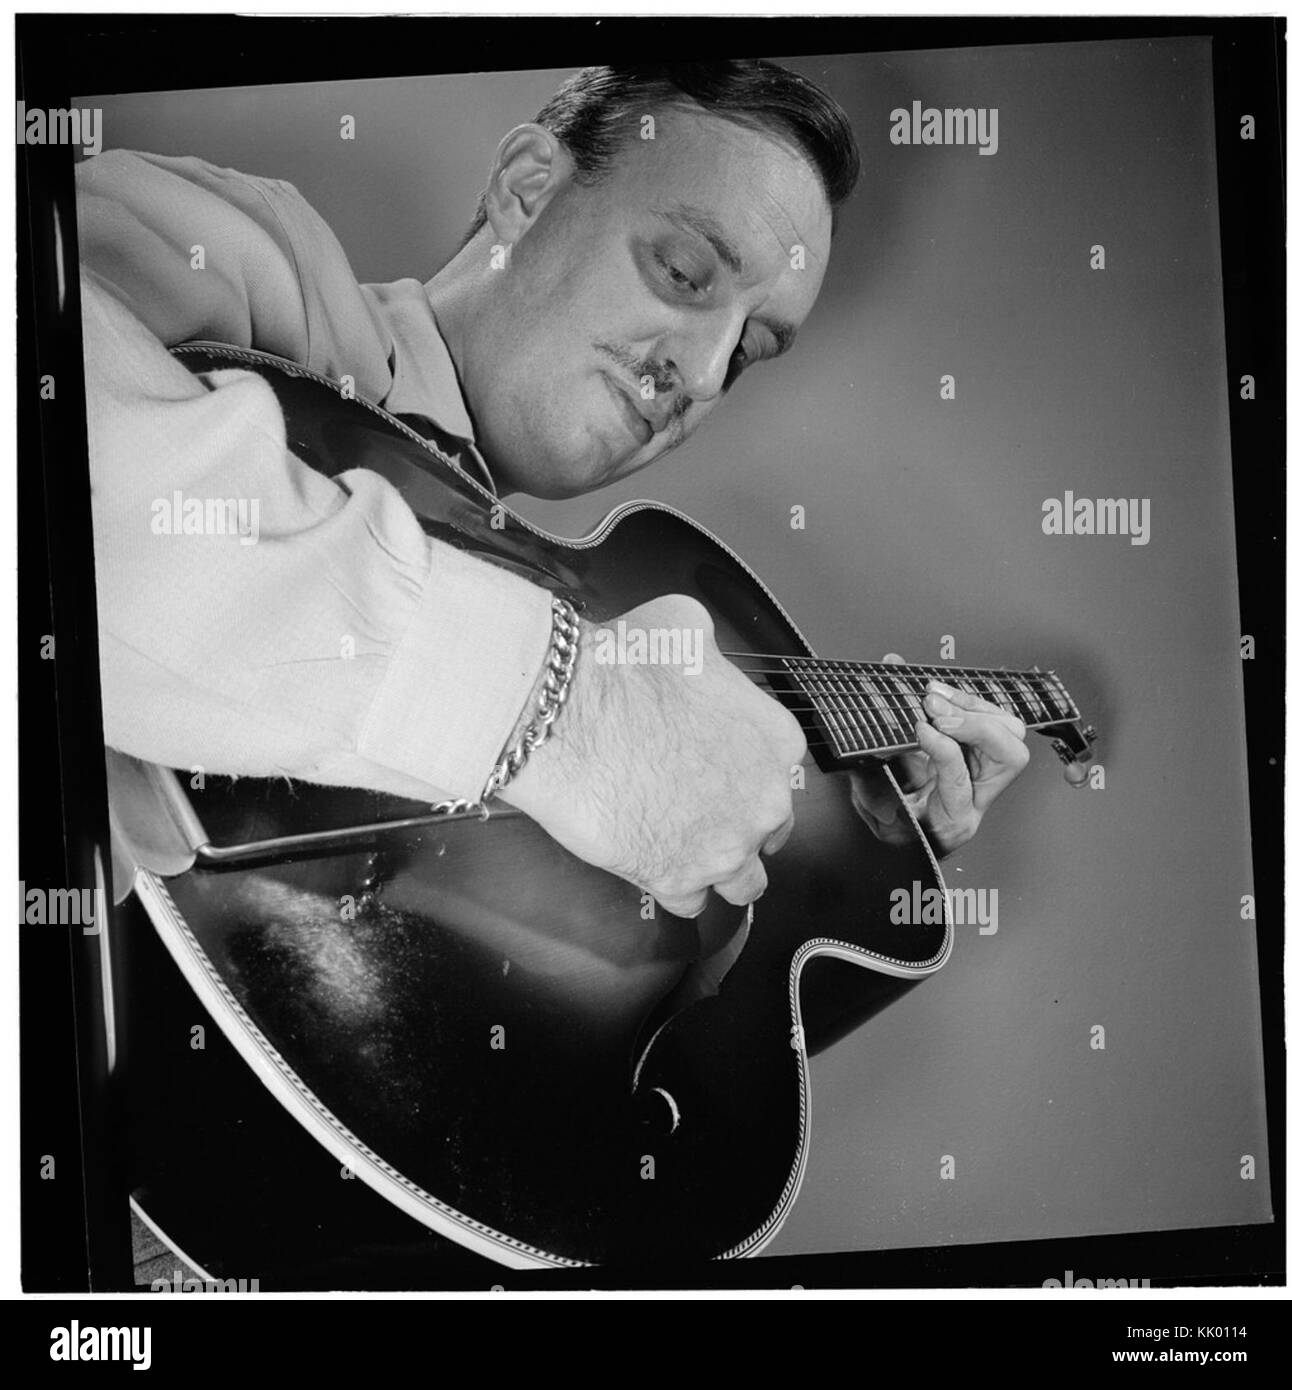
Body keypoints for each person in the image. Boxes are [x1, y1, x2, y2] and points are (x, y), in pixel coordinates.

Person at [76, 61, 1029, 921]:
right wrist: (570, 712)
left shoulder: (552, 621)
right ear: (526, 190)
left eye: (748, 349)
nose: (701, 374)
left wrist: (853, 843)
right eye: (684, 270)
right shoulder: (248, 255)